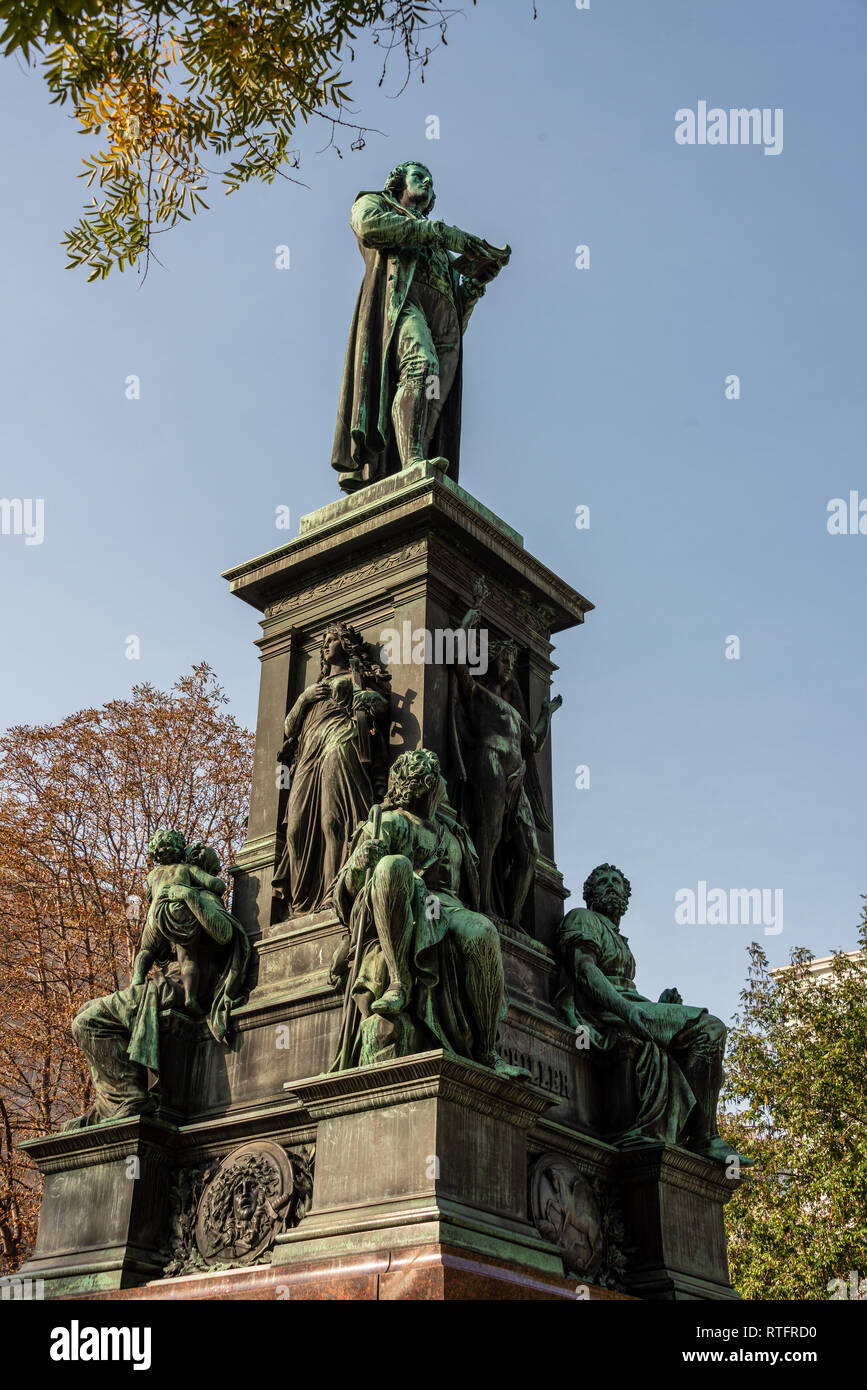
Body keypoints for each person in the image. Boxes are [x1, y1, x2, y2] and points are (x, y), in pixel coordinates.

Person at [555, 863, 752, 1165]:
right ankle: (704, 1138)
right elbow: (585, 970)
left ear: (626, 895)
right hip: (603, 1012)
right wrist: (629, 1011)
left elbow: (624, 990)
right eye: (603, 882)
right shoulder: (582, 918)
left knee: (703, 1045)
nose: (611, 885)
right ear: (590, 894)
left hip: (629, 1006)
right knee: (711, 1029)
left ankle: (697, 1133)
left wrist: (657, 1005)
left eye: (616, 882)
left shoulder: (618, 938)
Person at [332, 161, 509, 493]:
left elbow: (456, 308)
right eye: (419, 176)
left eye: (430, 180)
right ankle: (412, 461)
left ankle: (414, 462)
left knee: (433, 397)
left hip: (445, 325)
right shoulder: (374, 203)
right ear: (400, 181)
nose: (426, 181)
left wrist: (475, 284)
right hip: (402, 304)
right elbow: (368, 226)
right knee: (420, 365)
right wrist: (439, 234)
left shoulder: (441, 248)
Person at [272, 623, 390, 913]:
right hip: (308, 752)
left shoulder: (355, 676)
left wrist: (371, 699)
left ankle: (334, 892)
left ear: (346, 645)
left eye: (331, 640)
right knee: (295, 828)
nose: (324, 646)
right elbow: (289, 728)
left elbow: (381, 707)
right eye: (323, 641)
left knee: (332, 821)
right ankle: (300, 902)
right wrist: (305, 697)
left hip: (340, 740)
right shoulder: (313, 690)